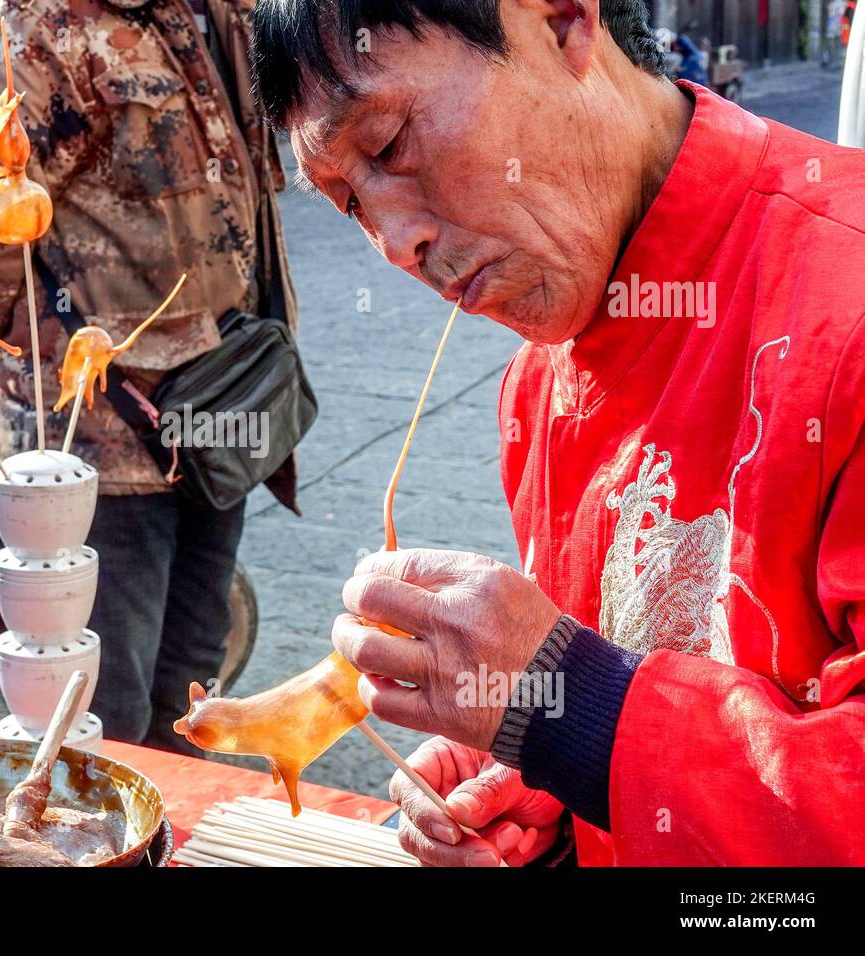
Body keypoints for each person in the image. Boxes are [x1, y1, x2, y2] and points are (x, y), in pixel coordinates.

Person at [252, 0, 865, 865]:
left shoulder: (849, 294)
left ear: (564, 21)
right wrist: (539, 796)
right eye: (351, 201)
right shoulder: (538, 384)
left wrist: (568, 706)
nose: (396, 244)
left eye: (389, 144)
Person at [0, 0, 298, 752]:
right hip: (95, 444)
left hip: (219, 413)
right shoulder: (29, 23)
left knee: (191, 692)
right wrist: (38, 345)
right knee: (94, 719)